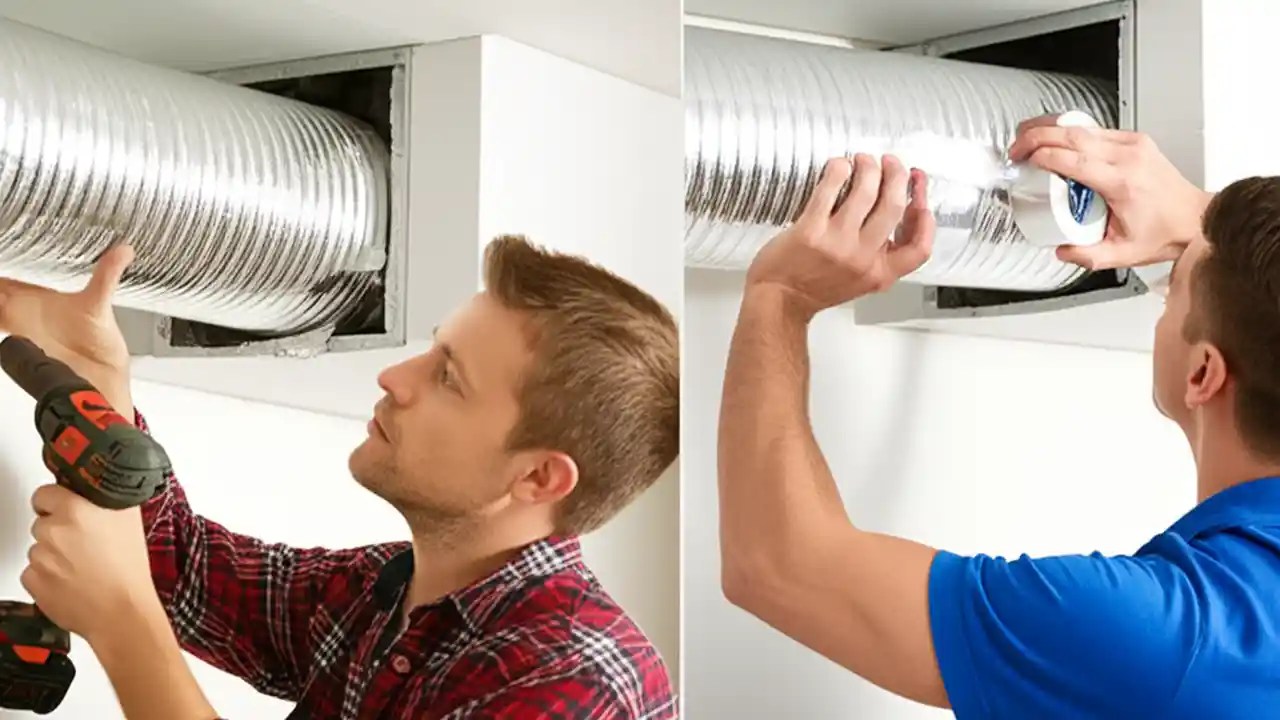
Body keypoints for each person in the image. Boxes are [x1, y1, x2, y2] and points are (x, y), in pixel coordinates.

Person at [717, 113, 1280, 718]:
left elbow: (779, 563)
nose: (1164, 297)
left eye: (1174, 292)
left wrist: (781, 298)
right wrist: (1206, 224)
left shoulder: (1163, 638)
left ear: (1203, 375)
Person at [2, 235, 679, 719]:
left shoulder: (579, 683)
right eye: (433, 349)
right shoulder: (383, 597)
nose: (395, 377)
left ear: (537, 478)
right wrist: (97, 380)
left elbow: (138, 592)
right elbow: (182, 568)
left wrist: (124, 624)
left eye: (449, 377)